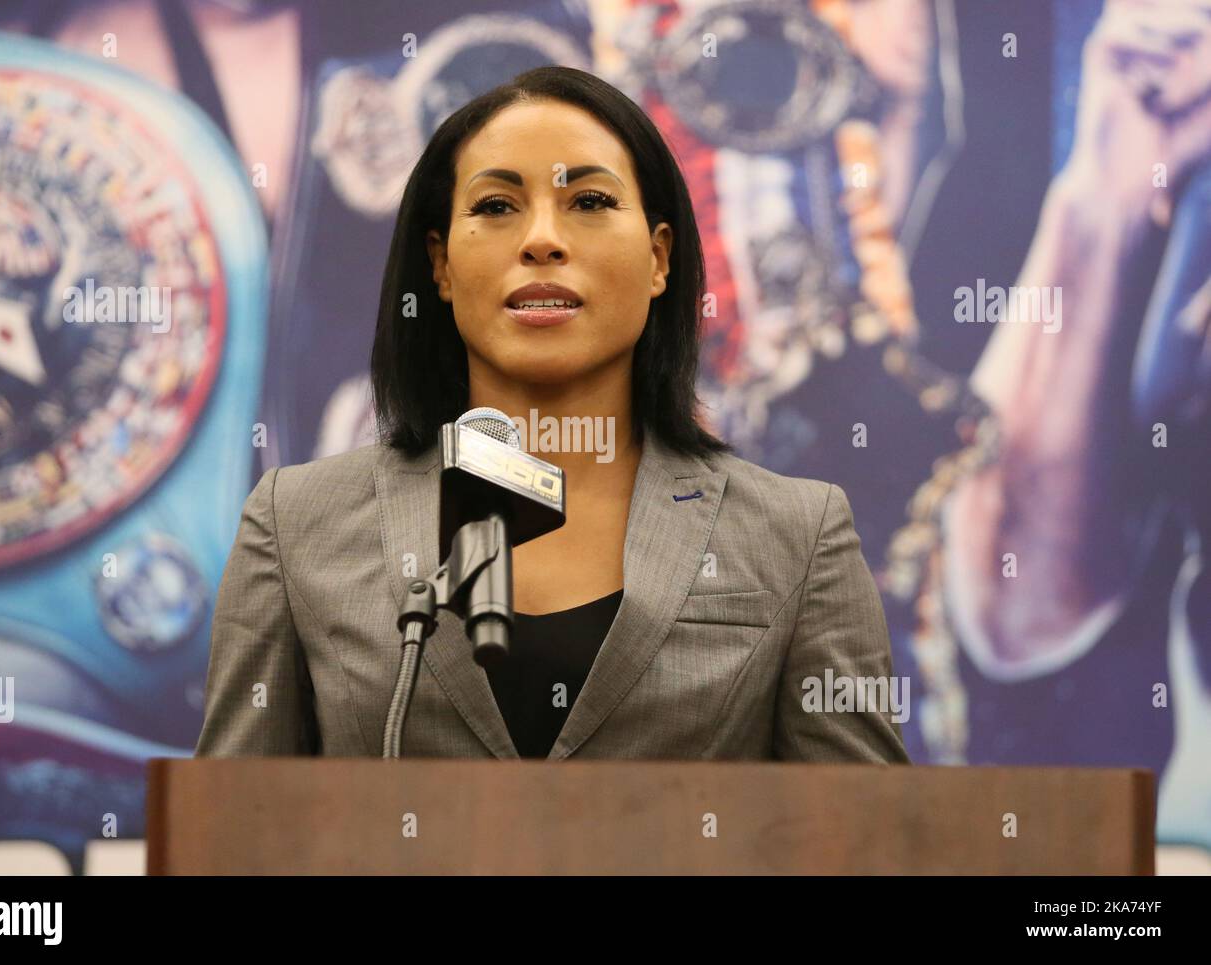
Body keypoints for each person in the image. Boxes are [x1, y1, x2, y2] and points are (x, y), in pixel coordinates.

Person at [195, 65, 909, 763]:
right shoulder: (296, 526)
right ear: (439, 264)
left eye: (591, 202)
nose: (542, 239)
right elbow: (227, 841)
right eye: (497, 206)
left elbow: (862, 843)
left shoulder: (796, 538)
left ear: (660, 257)